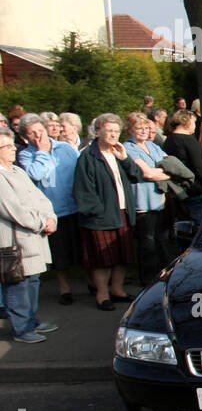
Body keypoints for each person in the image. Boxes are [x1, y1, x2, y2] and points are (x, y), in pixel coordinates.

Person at [73, 113, 148, 310]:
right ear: (98, 132)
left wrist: (125, 159)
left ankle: (118, 290)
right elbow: (84, 191)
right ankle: (102, 294)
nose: (114, 135)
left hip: (122, 212)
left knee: (122, 256)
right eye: (109, 131)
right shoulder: (88, 157)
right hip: (100, 217)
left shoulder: (118, 153)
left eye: (116, 131)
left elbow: (137, 175)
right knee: (103, 260)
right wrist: (98, 211)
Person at [0, 129, 59, 342]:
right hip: (14, 243)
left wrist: (51, 218)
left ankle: (31, 320)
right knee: (18, 285)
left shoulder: (17, 171)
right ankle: (21, 329)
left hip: (34, 238)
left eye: (12, 145)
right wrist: (42, 222)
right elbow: (13, 209)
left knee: (33, 282)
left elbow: (40, 198)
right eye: (7, 146)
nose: (13, 148)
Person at [15, 115, 80, 304]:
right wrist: (42, 152)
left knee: (79, 248)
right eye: (32, 133)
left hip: (74, 205)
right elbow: (35, 174)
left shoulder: (65, 148)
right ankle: (64, 286)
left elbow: (80, 170)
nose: (38, 136)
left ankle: (92, 282)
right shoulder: (26, 154)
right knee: (59, 253)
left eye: (40, 131)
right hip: (53, 210)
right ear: (25, 137)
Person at [122, 113, 171, 284]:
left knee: (162, 241)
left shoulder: (153, 145)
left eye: (145, 128)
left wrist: (161, 173)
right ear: (129, 130)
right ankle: (148, 280)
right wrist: (164, 173)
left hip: (160, 201)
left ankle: (165, 276)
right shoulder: (127, 148)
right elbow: (147, 173)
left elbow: (172, 165)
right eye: (138, 128)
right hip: (142, 202)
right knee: (147, 243)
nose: (143, 131)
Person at [162, 109, 202, 248]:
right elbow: (199, 166)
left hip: (176, 188)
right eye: (194, 122)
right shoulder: (189, 140)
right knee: (196, 222)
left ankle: (182, 249)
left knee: (182, 222)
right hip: (193, 187)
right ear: (186, 122)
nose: (195, 126)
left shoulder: (169, 140)